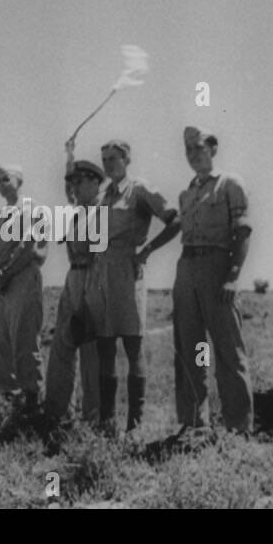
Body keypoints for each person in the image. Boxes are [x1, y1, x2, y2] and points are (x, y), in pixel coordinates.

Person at [157, 126, 254, 436]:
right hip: (187, 268)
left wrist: (233, 277)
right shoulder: (187, 193)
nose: (193, 155)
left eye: (199, 149)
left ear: (212, 149)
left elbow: (242, 232)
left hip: (217, 267)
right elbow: (178, 229)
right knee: (190, 346)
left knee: (227, 348)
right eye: (188, 151)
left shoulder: (230, 184)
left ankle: (238, 427)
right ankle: (194, 423)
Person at [80, 138, 178, 434]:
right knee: (105, 347)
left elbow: (175, 219)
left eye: (114, 158)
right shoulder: (102, 195)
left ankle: (135, 425)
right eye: (105, 159)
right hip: (101, 271)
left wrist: (147, 251)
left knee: (133, 346)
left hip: (128, 269)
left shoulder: (139, 190)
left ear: (127, 159)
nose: (109, 164)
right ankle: (107, 424)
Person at [42, 143, 104, 431]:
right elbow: (68, 192)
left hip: (92, 279)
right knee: (61, 346)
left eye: (80, 182)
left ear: (95, 182)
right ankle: (57, 415)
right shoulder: (78, 212)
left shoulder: (102, 211)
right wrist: (68, 157)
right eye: (74, 182)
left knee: (91, 350)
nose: (75, 188)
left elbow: (100, 256)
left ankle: (94, 421)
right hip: (72, 278)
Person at [0, 164, 47, 423]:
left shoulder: (31, 210)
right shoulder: (2, 216)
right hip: (3, 285)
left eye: (5, 179)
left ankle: (33, 404)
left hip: (23, 279)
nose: (1, 184)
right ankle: (12, 402)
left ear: (19, 181)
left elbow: (29, 247)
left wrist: (5, 272)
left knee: (24, 342)